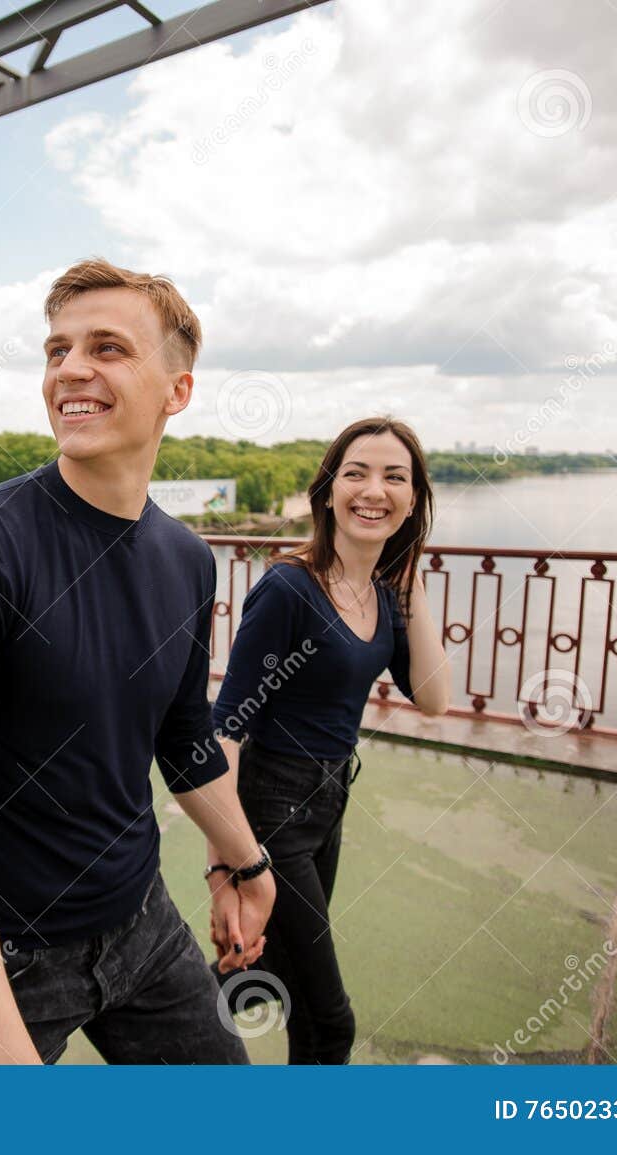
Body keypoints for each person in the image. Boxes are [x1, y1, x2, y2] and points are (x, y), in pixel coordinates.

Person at [0, 258, 276, 1064]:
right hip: (5, 955)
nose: (70, 370)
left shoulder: (186, 559)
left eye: (108, 348)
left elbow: (182, 737)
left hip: (143, 922)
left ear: (177, 390)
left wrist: (247, 862)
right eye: (57, 350)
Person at [205, 416, 451, 1064]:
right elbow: (225, 730)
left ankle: (156, 1004)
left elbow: (434, 697)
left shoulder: (383, 596)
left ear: (413, 500)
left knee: (271, 973)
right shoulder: (290, 588)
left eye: (395, 478)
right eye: (356, 474)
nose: (374, 490)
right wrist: (223, 868)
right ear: (329, 491)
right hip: (272, 812)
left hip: (329, 804)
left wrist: (411, 575)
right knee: (329, 1022)